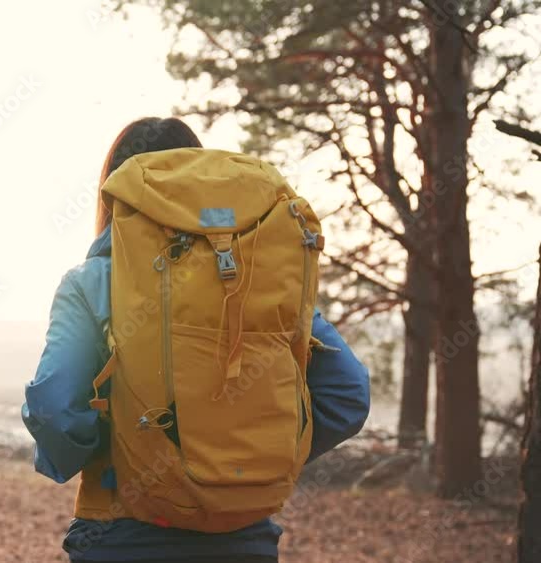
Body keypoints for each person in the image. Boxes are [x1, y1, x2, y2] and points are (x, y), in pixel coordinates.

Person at [21, 117, 371, 563]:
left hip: (123, 537)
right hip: (245, 542)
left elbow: (56, 411)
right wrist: (252, 460)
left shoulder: (92, 282)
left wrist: (110, 448)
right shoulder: (260, 283)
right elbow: (348, 394)